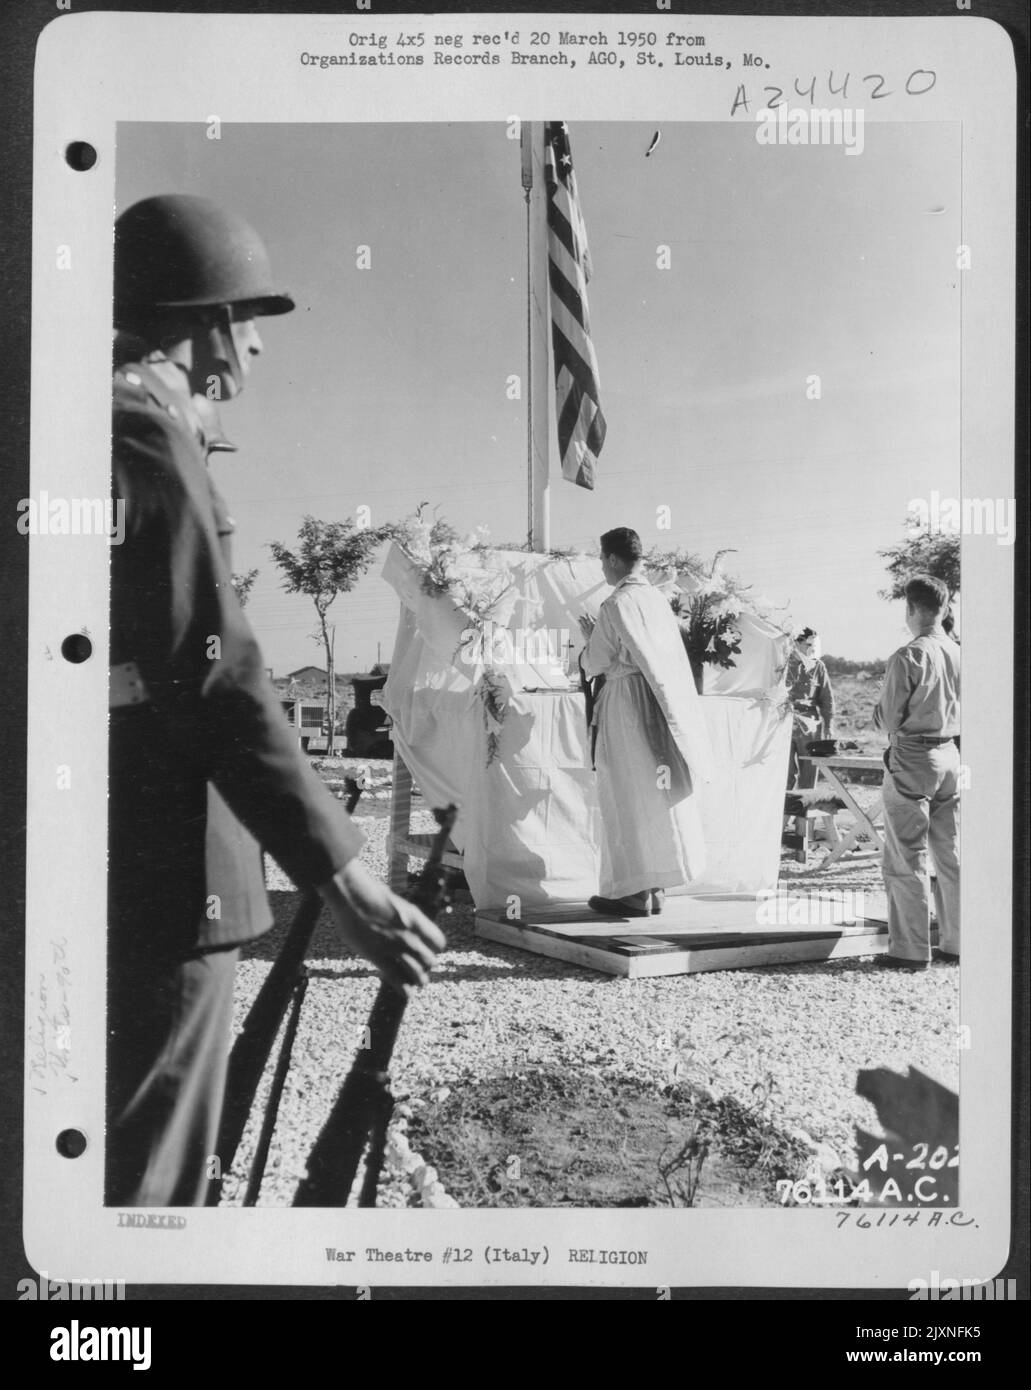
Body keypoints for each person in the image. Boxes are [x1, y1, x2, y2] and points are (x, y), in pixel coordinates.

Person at [108, 194, 444, 1205]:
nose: (255, 346)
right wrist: (347, 875)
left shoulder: (95, 416)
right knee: (148, 1199)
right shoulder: (141, 430)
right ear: (208, 321)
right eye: (248, 318)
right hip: (167, 875)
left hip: (131, 858)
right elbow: (214, 677)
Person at [577, 528, 714, 916]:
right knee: (654, 794)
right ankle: (655, 886)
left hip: (625, 703)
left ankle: (630, 892)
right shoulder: (655, 599)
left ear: (615, 559)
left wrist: (589, 642)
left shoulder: (616, 603)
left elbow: (597, 662)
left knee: (624, 793)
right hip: (656, 704)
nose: (603, 567)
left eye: (603, 559)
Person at [873, 574, 960, 971]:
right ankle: (957, 942)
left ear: (911, 609)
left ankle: (909, 950)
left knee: (906, 855)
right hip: (950, 754)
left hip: (913, 755)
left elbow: (888, 718)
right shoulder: (958, 652)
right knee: (950, 852)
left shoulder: (908, 655)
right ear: (942, 608)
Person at [784, 627, 835, 791]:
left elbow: (826, 699)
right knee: (785, 772)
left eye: (814, 645)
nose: (811, 649)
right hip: (785, 721)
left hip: (810, 726)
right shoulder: (783, 663)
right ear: (796, 643)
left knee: (809, 772)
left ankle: (803, 815)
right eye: (807, 644)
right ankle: (783, 813)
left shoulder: (818, 667)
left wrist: (828, 725)